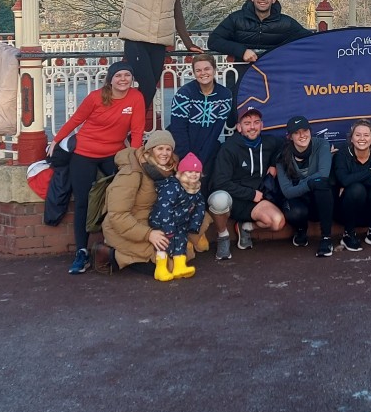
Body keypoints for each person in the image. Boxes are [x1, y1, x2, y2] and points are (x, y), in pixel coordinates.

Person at [47, 61, 146, 274]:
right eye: (118, 76)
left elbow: (137, 131)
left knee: (120, 199)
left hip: (113, 153)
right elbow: (76, 120)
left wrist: (132, 157)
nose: (123, 79)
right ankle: (81, 252)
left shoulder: (136, 97)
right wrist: (56, 140)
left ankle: (116, 246)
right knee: (83, 202)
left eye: (127, 75)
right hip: (85, 153)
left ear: (132, 78)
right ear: (110, 79)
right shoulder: (95, 97)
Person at [97, 128, 208, 273]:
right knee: (167, 264)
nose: (164, 153)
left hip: (158, 220)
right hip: (127, 226)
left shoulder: (172, 169)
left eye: (168, 149)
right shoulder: (131, 173)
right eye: (159, 148)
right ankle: (109, 255)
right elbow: (117, 215)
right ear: (149, 150)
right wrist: (148, 234)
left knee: (183, 251)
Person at [208, 0, 313, 120]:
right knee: (236, 115)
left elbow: (309, 40)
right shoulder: (236, 19)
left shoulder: (286, 23)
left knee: (273, 114)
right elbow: (213, 40)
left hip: (272, 79)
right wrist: (242, 51)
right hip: (240, 76)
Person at [207, 107, 285, 255]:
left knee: (277, 222)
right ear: (239, 127)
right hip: (232, 199)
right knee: (219, 200)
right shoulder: (229, 148)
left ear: (262, 125)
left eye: (256, 122)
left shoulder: (269, 142)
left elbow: (284, 146)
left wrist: (273, 164)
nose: (252, 127)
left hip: (255, 202)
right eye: (247, 123)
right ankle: (223, 236)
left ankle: (245, 227)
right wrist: (250, 194)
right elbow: (220, 182)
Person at [168, 52, 232, 191]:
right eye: (198, 70)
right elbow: (178, 129)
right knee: (183, 185)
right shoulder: (184, 94)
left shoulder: (225, 95)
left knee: (203, 184)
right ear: (194, 73)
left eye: (207, 69)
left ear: (214, 70)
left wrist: (202, 157)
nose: (203, 73)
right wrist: (187, 157)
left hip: (207, 146)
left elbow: (216, 130)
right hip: (183, 146)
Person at [274, 116, 335, 258]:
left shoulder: (321, 144)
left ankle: (326, 238)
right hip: (298, 199)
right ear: (290, 137)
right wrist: (309, 183)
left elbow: (323, 174)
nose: (302, 135)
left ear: (310, 131)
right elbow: (287, 192)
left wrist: (307, 183)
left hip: (318, 199)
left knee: (323, 185)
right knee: (295, 211)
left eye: (305, 131)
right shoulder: (282, 157)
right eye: (296, 132)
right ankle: (301, 229)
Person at [331, 119, 371, 252]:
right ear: (351, 138)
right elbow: (344, 180)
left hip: (370, 213)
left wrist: (355, 180)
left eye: (366, 135)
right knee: (356, 189)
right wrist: (370, 172)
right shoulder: (342, 154)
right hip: (345, 212)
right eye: (358, 135)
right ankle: (348, 234)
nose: (362, 139)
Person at [149, 153, 208, 281]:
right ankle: (160, 269)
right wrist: (168, 227)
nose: (193, 174)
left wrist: (194, 225)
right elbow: (164, 207)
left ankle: (179, 266)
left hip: (181, 222)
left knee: (181, 242)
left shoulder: (196, 187)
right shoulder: (173, 186)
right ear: (181, 173)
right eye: (189, 171)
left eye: (197, 172)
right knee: (163, 244)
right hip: (162, 221)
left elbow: (200, 206)